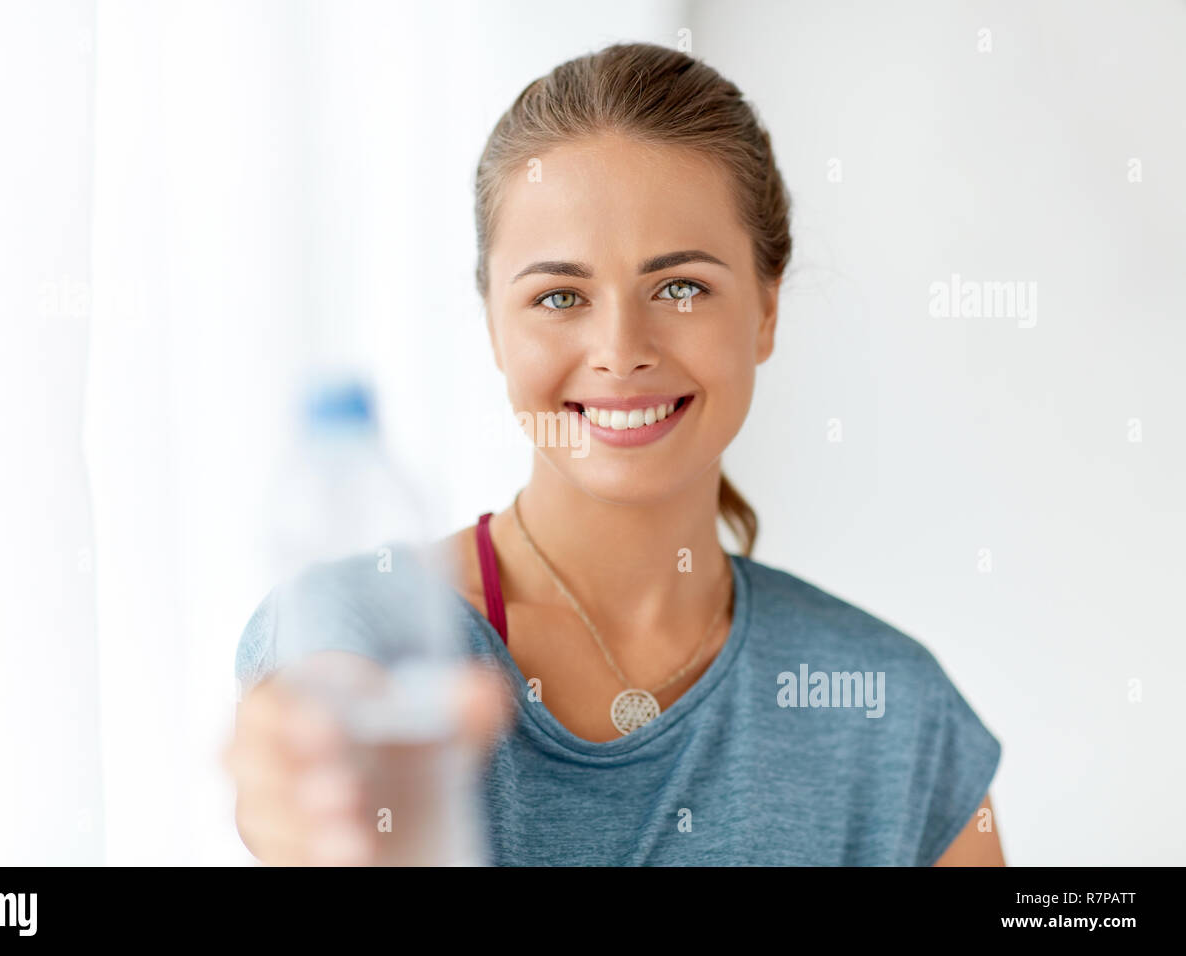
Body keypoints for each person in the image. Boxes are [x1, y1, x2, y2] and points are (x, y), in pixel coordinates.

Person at [222, 41, 1004, 866]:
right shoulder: (366, 633)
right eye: (559, 296)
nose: (621, 350)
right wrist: (323, 806)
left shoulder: (890, 706)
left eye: (681, 287)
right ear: (493, 324)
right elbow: (307, 776)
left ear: (766, 310)